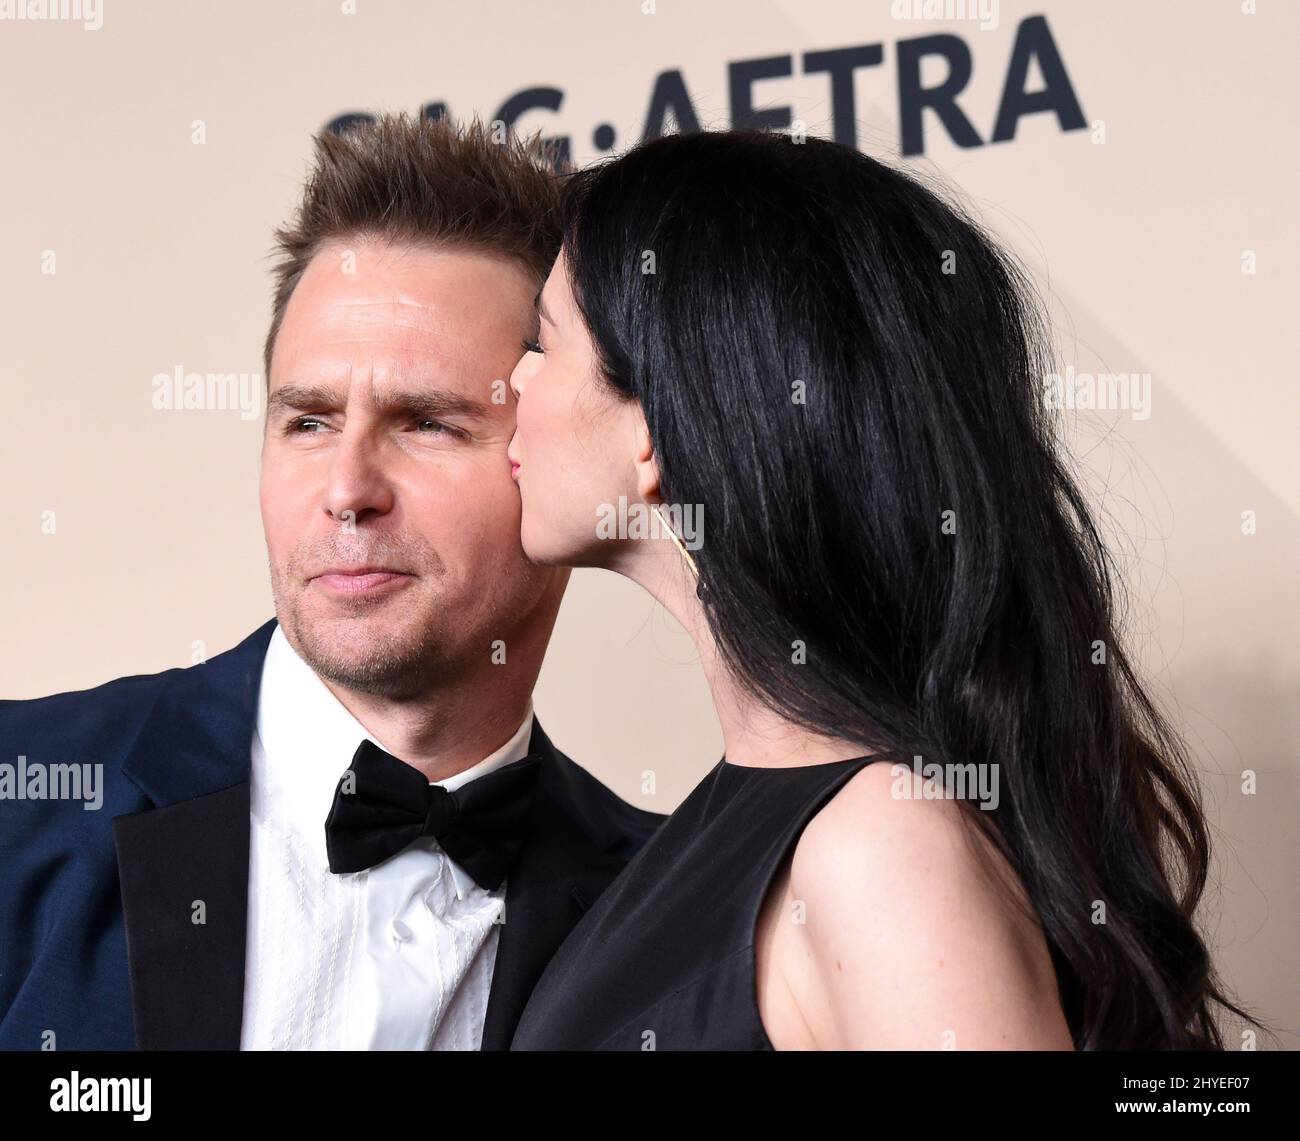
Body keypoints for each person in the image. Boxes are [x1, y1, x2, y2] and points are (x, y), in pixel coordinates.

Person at [505, 127, 1261, 1050]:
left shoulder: (880, 852)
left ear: (655, 427)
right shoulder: (762, 827)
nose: (512, 380)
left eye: (542, 342)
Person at [0, 113, 664, 1051]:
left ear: (558, 452)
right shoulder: (19, 796)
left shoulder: (676, 912)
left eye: (428, 424)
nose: (348, 491)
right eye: (308, 421)